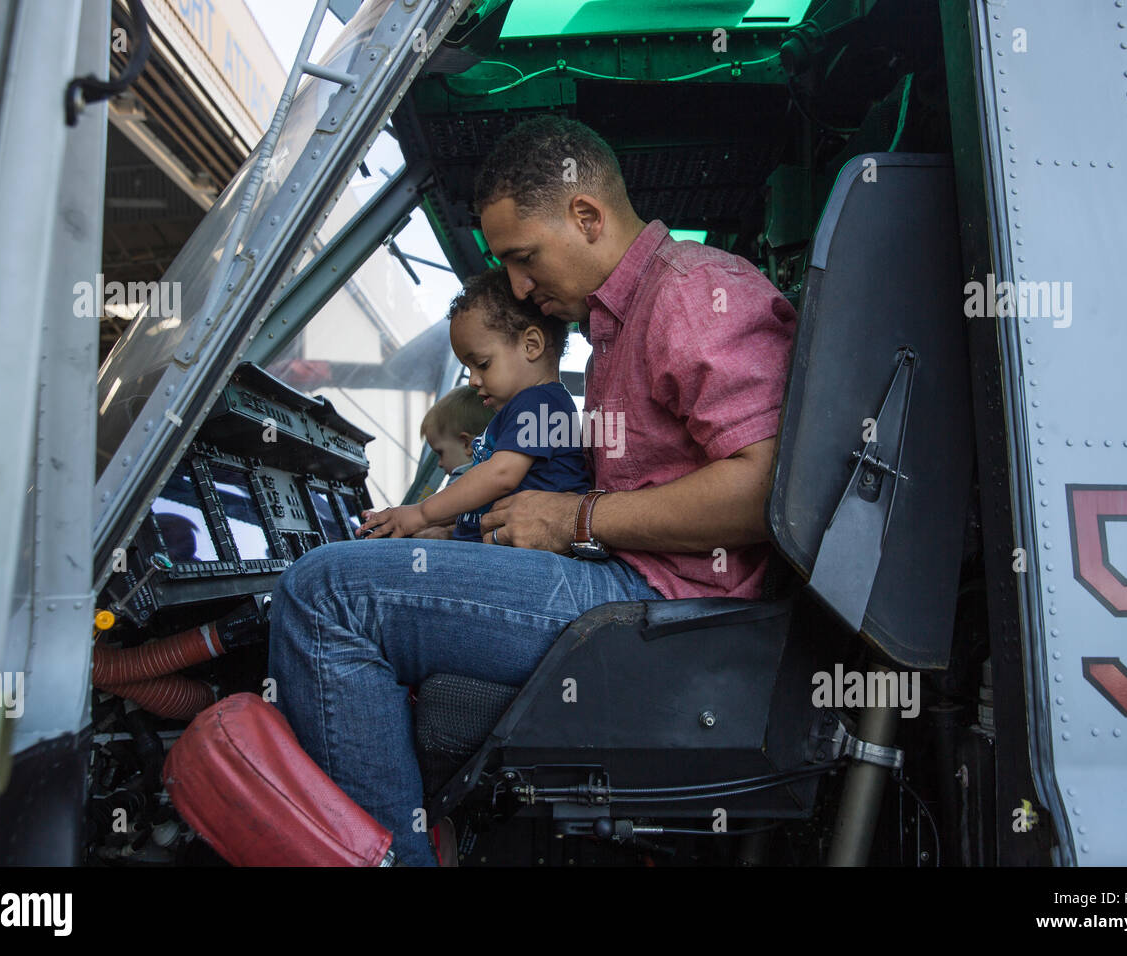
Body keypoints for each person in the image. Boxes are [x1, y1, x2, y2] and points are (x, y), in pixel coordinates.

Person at [268, 115, 796, 866]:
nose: (518, 286)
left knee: (326, 594)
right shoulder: (623, 322)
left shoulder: (691, 293)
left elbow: (767, 491)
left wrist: (575, 518)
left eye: (523, 258)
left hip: (670, 618)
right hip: (639, 594)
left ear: (586, 216)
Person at [360, 269, 591, 543]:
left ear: (531, 345)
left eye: (482, 364)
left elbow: (501, 475)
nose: (472, 380)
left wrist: (421, 513)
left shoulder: (541, 403)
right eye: (468, 368)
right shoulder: (524, 407)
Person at [408, 385, 493, 540]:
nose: (440, 463)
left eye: (441, 453)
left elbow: (443, 515)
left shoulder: (465, 479)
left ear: (466, 444)